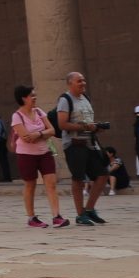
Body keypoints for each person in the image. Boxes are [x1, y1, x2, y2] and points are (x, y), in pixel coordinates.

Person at [53, 70, 110, 225]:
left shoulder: (85, 98)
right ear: (70, 83)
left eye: (83, 80)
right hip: (74, 144)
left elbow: (88, 120)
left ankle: (89, 209)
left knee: (102, 174)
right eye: (79, 81)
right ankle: (80, 215)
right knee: (78, 178)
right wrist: (84, 127)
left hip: (90, 143)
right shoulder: (65, 100)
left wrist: (96, 127)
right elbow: (62, 124)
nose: (83, 83)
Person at [10, 84, 66, 228]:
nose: (35, 98)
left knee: (51, 183)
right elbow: (26, 138)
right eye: (32, 95)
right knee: (30, 185)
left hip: (45, 152)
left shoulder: (40, 112)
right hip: (26, 155)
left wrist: (38, 134)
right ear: (24, 98)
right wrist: (42, 134)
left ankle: (56, 216)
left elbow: (52, 130)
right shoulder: (17, 116)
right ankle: (31, 217)